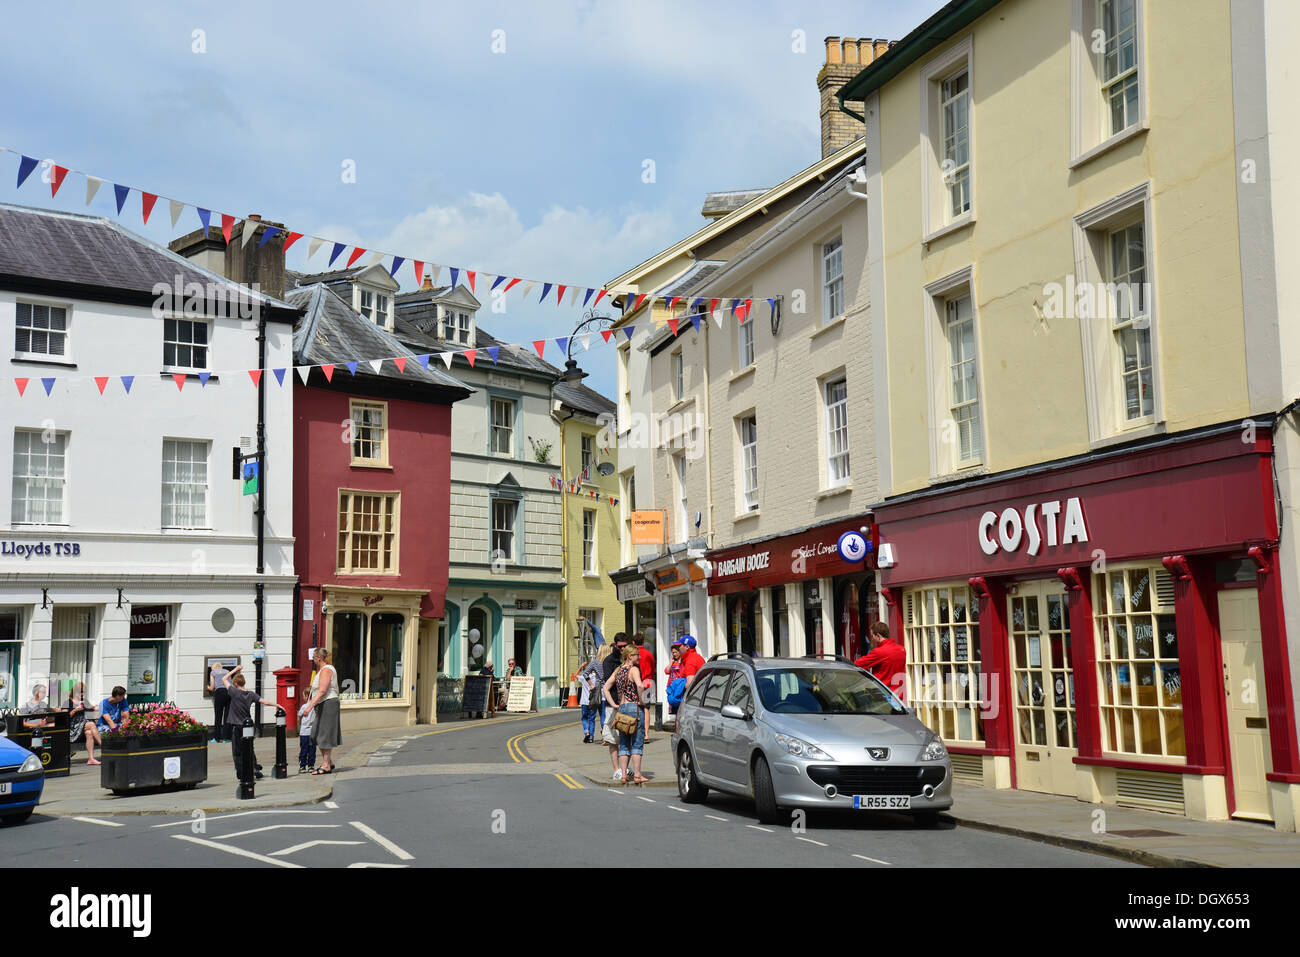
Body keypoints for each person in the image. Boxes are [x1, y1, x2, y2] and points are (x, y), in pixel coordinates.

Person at [603, 645, 648, 784]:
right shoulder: (633, 669)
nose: (638, 657)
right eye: (636, 655)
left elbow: (605, 688)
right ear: (630, 656)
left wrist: (614, 704)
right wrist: (641, 700)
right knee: (637, 742)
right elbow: (640, 686)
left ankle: (623, 775)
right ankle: (637, 775)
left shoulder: (618, 670)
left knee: (623, 743)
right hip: (634, 707)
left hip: (621, 709)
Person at [222, 666, 278, 780]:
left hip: (237, 727)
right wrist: (277, 705)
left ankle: (241, 772)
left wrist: (235, 670)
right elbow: (265, 702)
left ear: (236, 683)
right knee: (249, 748)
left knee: (237, 751)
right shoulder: (251, 694)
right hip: (249, 726)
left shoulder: (234, 692)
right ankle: (254, 768)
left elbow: (224, 679)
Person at [301, 647, 341, 775]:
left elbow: (322, 691)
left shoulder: (327, 670)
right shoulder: (322, 670)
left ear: (319, 658)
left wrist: (309, 706)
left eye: (313, 657)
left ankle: (325, 765)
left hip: (328, 704)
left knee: (324, 734)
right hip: (322, 705)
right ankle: (329, 761)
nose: (313, 660)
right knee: (315, 734)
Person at [599, 631, 630, 780]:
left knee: (627, 736)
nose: (623, 649)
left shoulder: (631, 660)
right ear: (615, 645)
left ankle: (625, 767)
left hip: (628, 704)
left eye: (625, 646)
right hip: (613, 705)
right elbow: (608, 684)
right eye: (620, 646)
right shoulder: (609, 661)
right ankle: (616, 769)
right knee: (612, 738)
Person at [854, 621, 907, 702]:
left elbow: (857, 664)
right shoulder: (901, 649)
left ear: (878, 636)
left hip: (884, 695)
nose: (872, 639)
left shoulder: (879, 652)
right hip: (899, 695)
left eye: (872, 636)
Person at [64, 681, 102, 765]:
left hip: (83, 726)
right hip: (72, 728)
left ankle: (91, 759)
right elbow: (65, 717)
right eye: (80, 692)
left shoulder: (84, 701)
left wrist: (95, 707)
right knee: (91, 725)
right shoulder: (68, 702)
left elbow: (92, 709)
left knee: (89, 733)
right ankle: (104, 747)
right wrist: (74, 710)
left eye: (83, 692)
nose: (82, 694)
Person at [632, 633, 655, 735]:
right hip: (648, 682)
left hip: (636, 683)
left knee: (635, 707)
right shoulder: (649, 654)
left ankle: (636, 731)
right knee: (646, 708)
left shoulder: (633, 655)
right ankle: (646, 733)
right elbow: (653, 668)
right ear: (643, 642)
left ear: (633, 643)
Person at [577, 658, 602, 743]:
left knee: (584, 718)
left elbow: (575, 675)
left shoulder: (583, 678)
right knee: (592, 719)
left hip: (584, 701)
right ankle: (591, 737)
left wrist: (580, 667)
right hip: (593, 701)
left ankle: (586, 732)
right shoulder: (595, 678)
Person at [208, 661, 231, 742]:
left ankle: (217, 738)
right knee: (227, 717)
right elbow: (230, 684)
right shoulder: (227, 671)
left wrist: (207, 687)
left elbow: (212, 687)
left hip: (219, 693)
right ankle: (226, 738)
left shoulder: (213, 672)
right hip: (229, 693)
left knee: (218, 716)